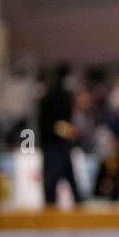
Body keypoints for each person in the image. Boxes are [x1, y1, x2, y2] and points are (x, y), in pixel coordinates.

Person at [37, 64, 83, 207]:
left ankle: (77, 208)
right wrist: (64, 129)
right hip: (53, 145)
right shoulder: (54, 97)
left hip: (60, 145)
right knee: (52, 180)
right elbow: (47, 124)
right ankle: (52, 210)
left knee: (68, 179)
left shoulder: (59, 96)